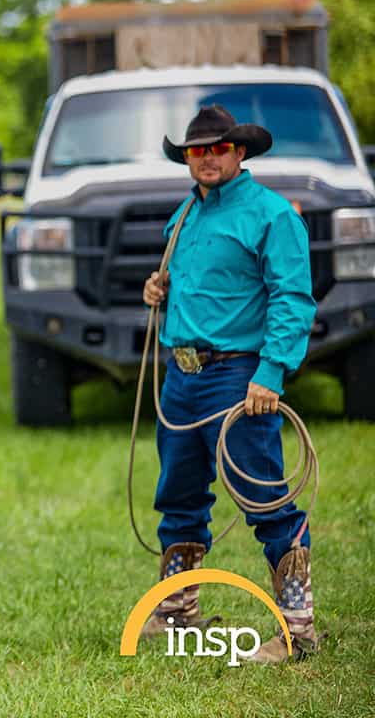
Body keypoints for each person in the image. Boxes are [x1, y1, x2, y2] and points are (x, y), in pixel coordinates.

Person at [140, 105, 319, 662]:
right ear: (188, 158)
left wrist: (271, 372)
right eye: (197, 150)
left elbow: (292, 297)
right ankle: (176, 611)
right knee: (179, 494)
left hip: (238, 376)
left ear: (240, 152)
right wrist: (159, 290)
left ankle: (298, 625)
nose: (208, 158)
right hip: (182, 375)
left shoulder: (271, 215)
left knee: (263, 495)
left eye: (218, 148)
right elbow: (191, 281)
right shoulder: (185, 215)